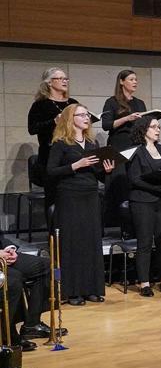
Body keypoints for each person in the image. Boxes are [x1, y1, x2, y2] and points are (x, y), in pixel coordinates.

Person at [46, 104, 114, 306]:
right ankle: (73, 291)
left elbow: (97, 174)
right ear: (71, 118)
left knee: (90, 242)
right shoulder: (61, 143)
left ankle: (91, 289)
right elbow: (50, 172)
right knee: (73, 243)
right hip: (69, 196)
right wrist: (75, 165)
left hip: (90, 195)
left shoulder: (92, 144)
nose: (86, 118)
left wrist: (106, 171)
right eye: (82, 114)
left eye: (87, 115)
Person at [127, 117, 161, 297]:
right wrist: (159, 187)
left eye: (159, 126)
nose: (158, 130)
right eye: (154, 126)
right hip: (142, 201)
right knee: (145, 242)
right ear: (143, 129)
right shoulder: (136, 151)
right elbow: (135, 179)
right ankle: (144, 283)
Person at [26, 67, 77, 202]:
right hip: (50, 155)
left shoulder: (73, 103)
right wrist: (53, 121)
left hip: (72, 153)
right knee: (54, 197)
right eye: (60, 78)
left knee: (72, 195)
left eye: (66, 78)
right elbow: (32, 129)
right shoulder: (40, 105)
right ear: (49, 82)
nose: (65, 81)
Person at [100, 70, 144, 226]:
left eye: (136, 79)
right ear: (121, 81)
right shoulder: (112, 102)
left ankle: (135, 222)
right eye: (131, 79)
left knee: (135, 182)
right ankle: (120, 223)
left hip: (136, 145)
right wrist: (127, 118)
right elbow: (106, 125)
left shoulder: (139, 103)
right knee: (120, 184)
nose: (135, 82)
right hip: (119, 145)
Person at [4, 234, 56, 351]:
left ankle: (32, 324)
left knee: (47, 265)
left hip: (3, 253)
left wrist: (9, 248)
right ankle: (7, 333)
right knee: (14, 279)